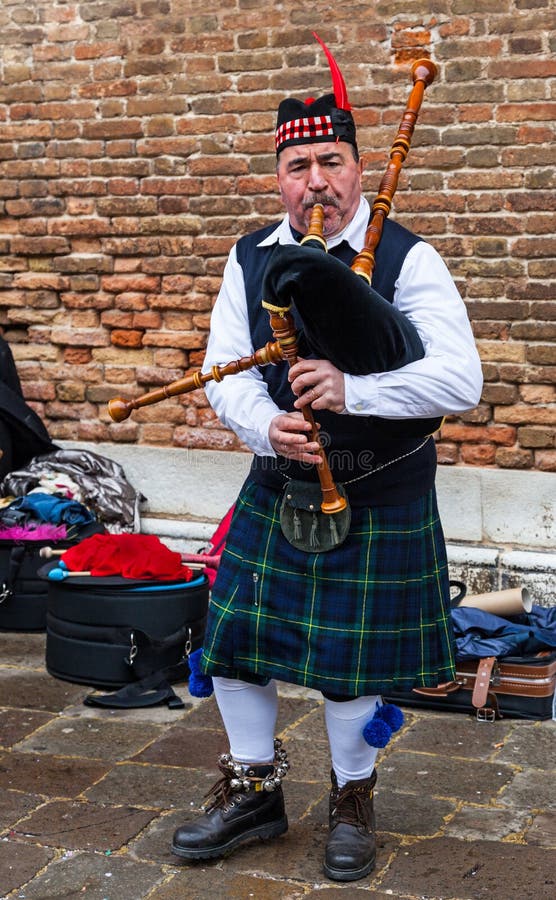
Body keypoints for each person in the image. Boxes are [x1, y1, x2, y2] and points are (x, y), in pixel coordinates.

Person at [172, 40, 483, 882]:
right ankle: (252, 788)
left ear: (356, 168)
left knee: (350, 665)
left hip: (379, 492)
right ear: (280, 176)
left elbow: (462, 377)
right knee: (236, 643)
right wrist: (266, 426)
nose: (316, 181)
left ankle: (352, 796)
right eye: (299, 163)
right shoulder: (248, 258)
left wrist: (353, 390)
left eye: (332, 161)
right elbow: (220, 369)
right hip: (282, 482)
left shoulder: (406, 257)